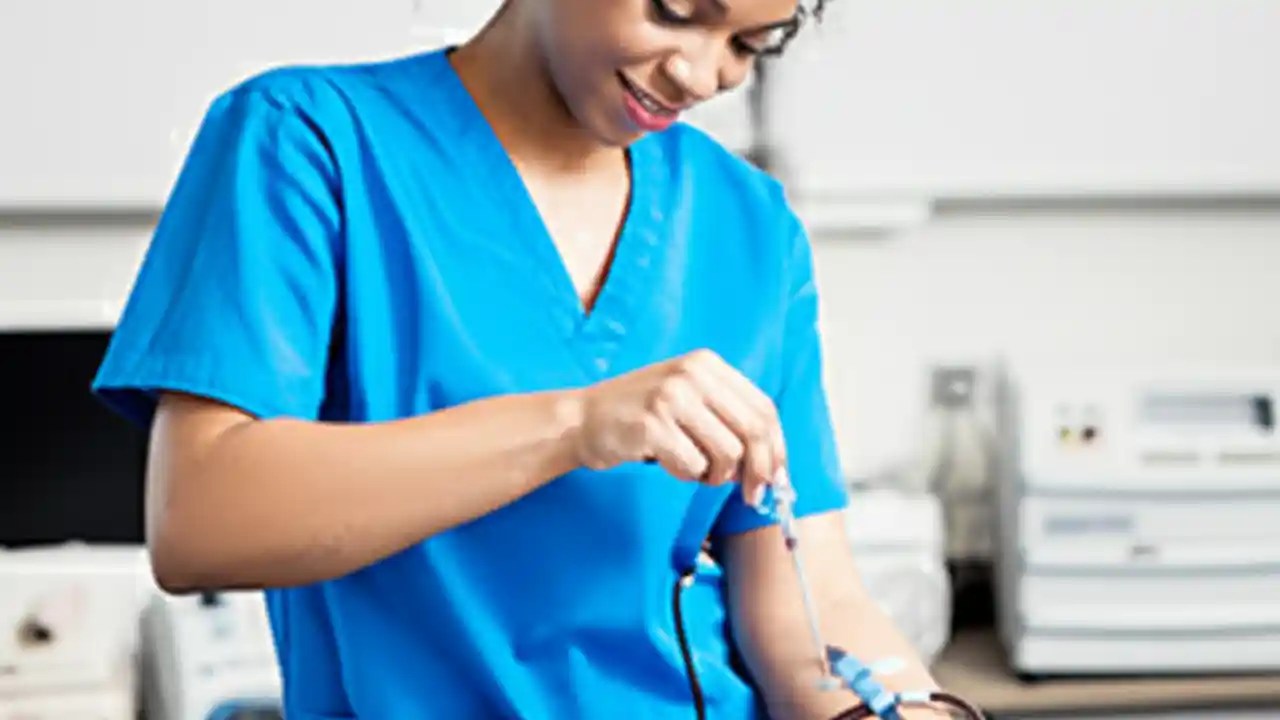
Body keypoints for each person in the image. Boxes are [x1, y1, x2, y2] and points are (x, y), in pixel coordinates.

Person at [92, 0, 946, 717]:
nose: (700, 73)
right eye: (676, 11)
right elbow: (202, 520)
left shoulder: (750, 225)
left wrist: (914, 707)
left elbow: (810, 603)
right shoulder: (307, 141)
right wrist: (578, 423)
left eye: (750, 45)